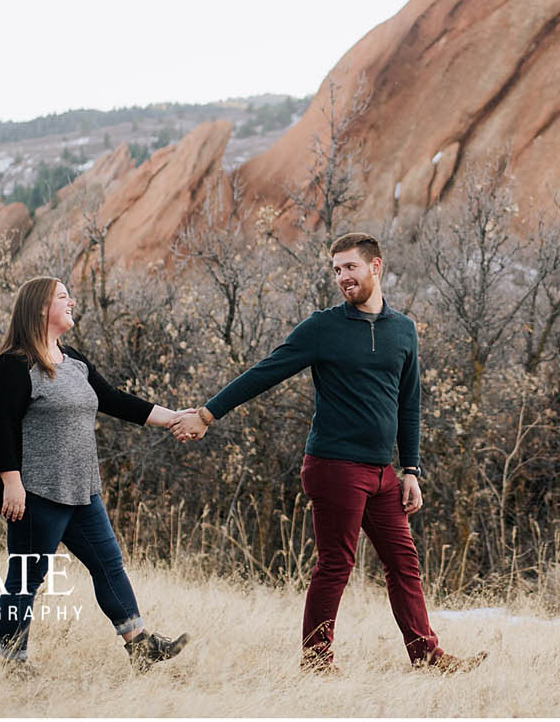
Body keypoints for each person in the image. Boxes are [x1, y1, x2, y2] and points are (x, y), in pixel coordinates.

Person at [169, 232, 481, 674]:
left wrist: (410, 468)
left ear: (375, 266)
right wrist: (207, 414)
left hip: (383, 472)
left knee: (404, 562)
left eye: (350, 267)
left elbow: (409, 403)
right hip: (334, 465)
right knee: (336, 564)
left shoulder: (403, 330)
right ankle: (316, 662)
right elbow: (265, 371)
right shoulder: (323, 327)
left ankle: (427, 656)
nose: (342, 277)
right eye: (336, 270)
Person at [0, 276, 190, 675]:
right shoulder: (13, 365)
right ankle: (14, 665)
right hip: (38, 493)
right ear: (41, 308)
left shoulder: (73, 360)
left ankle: (141, 647)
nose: (72, 302)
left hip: (82, 491)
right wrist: (11, 483)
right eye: (63, 297)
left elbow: (113, 399)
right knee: (25, 580)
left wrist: (174, 418)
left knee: (109, 565)